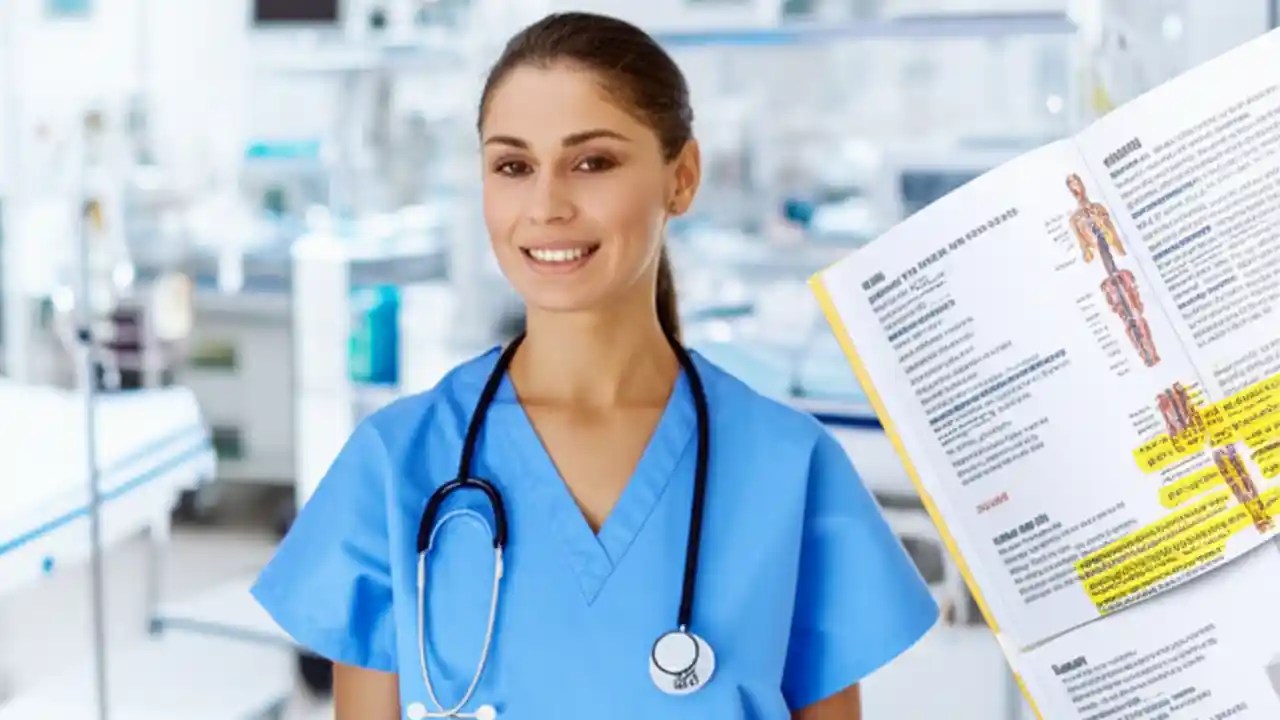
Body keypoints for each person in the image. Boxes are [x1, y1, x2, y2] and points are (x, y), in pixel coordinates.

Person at [251, 11, 937, 719]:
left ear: (683, 178)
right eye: (513, 166)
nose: (546, 205)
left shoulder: (790, 469)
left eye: (592, 162)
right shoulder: (396, 465)